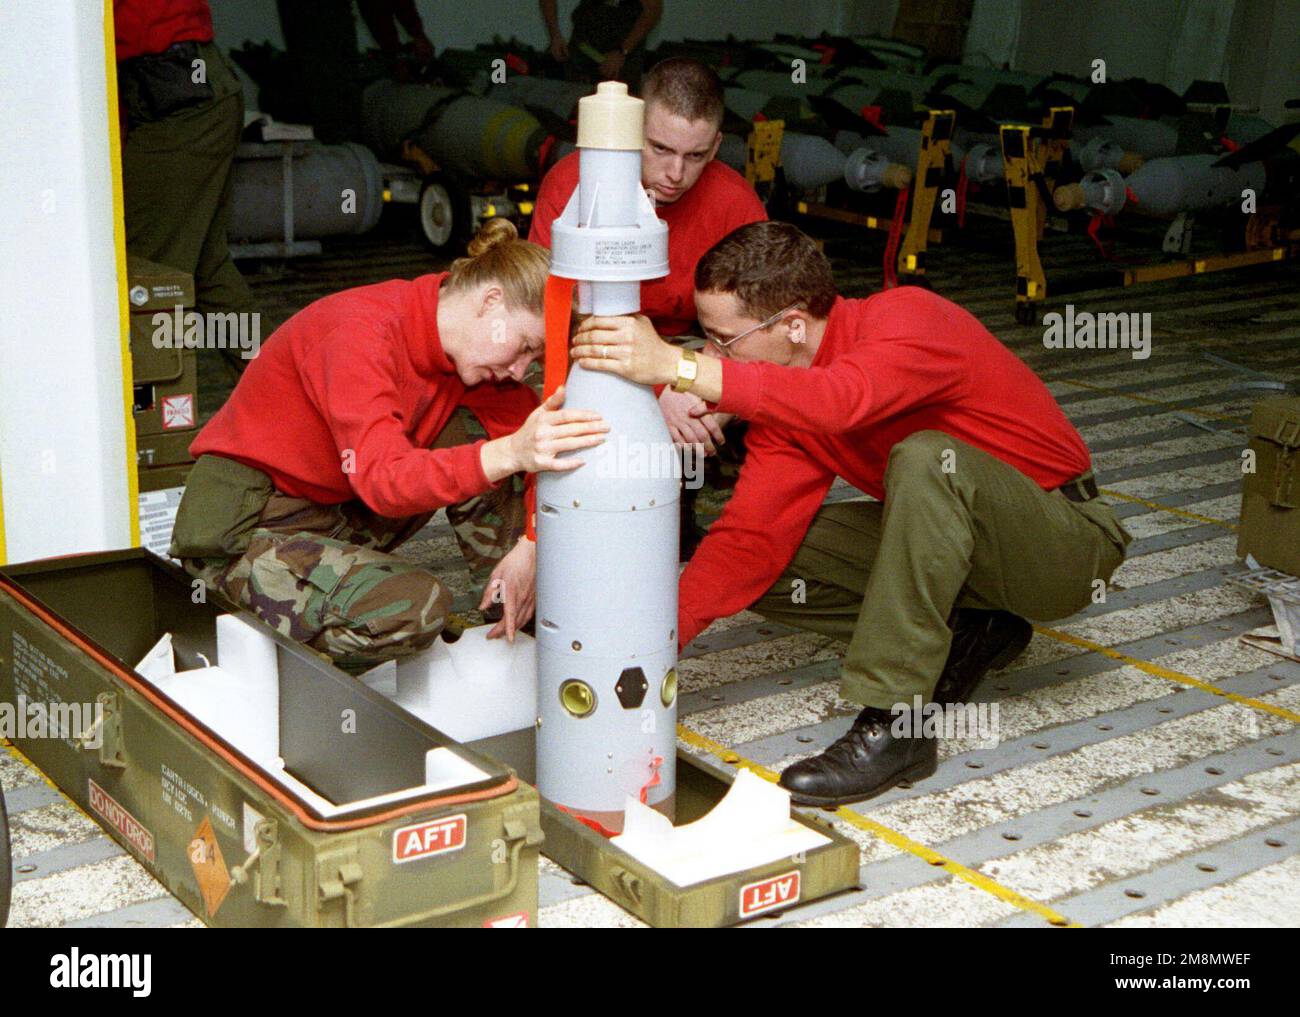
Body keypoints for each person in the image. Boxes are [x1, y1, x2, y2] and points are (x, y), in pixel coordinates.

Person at [569, 221, 1132, 806]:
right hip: (972, 557)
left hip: (1064, 546)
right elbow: (749, 542)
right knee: (770, 562)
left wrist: (675, 367)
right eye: (705, 341)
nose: (712, 354)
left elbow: (841, 401)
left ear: (792, 324)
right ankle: (973, 629)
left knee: (926, 460)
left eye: (722, 340)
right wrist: (646, 649)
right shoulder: (790, 407)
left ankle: (897, 726)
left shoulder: (908, 319)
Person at [170, 220, 608, 670]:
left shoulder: (469, 359)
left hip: (333, 507)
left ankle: (516, 625)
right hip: (244, 531)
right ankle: (295, 675)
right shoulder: (359, 333)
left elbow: (541, 451)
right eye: (524, 347)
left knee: (495, 446)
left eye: (533, 360)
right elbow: (383, 483)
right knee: (413, 608)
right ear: (490, 301)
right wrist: (511, 451)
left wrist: (530, 546)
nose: (519, 370)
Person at [529, 57, 767, 553]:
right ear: (632, 131)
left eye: (696, 155)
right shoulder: (574, 184)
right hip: (589, 343)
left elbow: (758, 326)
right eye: (659, 149)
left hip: (692, 350)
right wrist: (659, 387)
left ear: (718, 146)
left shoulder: (736, 204)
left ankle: (688, 522)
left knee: (771, 387)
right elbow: (551, 315)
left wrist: (709, 395)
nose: (676, 174)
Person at [116, 0, 252, 369]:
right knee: (208, 271)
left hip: (176, 94)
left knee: (143, 272)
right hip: (192, 87)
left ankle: (151, 412)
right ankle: (294, 393)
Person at [541, 0, 662, 88]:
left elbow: (653, 11)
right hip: (582, 48)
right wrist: (554, 36)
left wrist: (622, 51)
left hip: (620, 56)